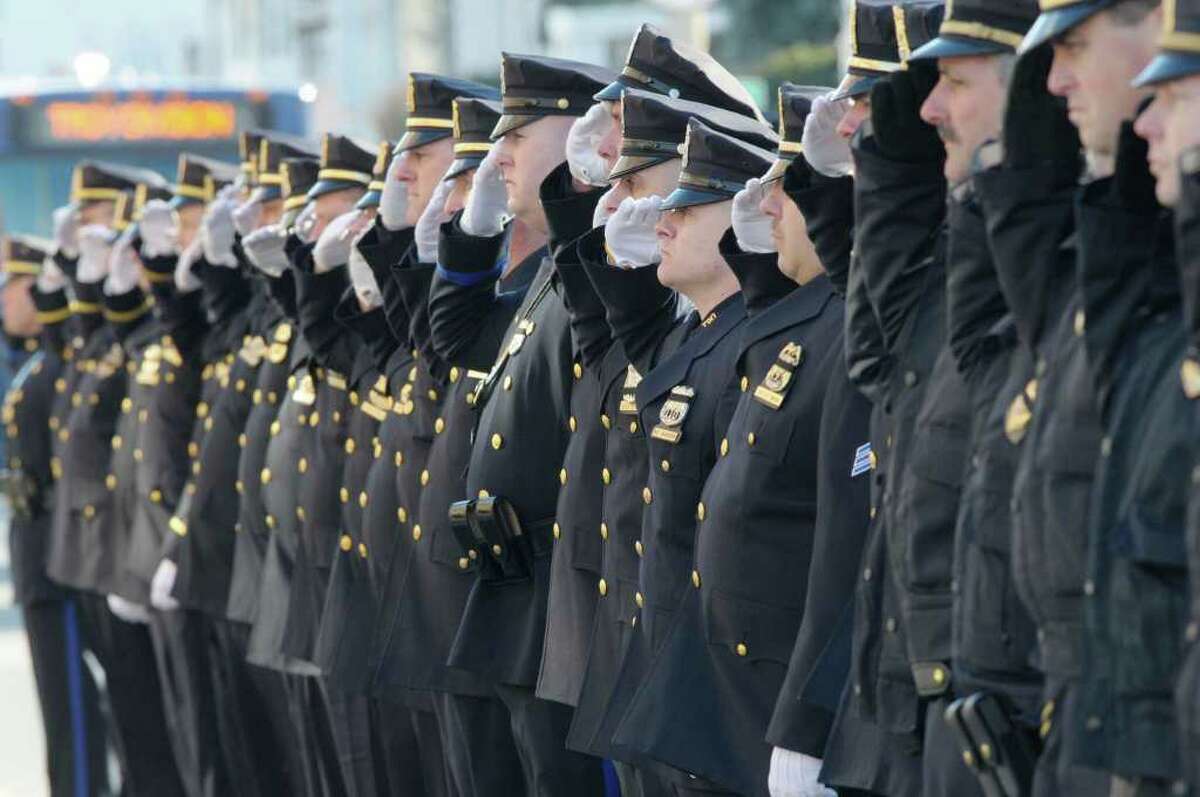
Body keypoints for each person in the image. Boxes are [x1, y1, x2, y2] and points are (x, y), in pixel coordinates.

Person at [426, 51, 616, 796]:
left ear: (577, 136)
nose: (497, 156)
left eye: (518, 134)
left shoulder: (599, 262)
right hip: (516, 596)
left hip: (566, 603)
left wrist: (577, 192)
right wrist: (472, 232)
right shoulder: (545, 275)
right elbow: (457, 336)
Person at [2, 235, 110, 796]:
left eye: (12, 289)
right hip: (34, 542)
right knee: (57, 698)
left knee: (72, 698)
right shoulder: (34, 364)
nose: (6, 303)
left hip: (57, 545)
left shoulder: (59, 364)